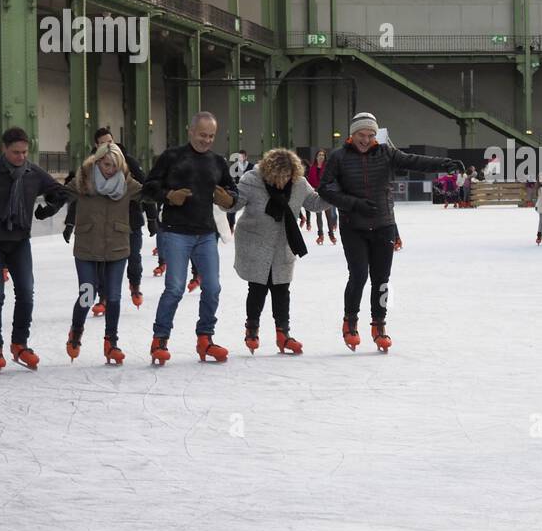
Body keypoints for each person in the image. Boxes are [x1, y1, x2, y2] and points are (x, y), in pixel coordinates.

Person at [320, 111, 459, 353]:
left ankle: (379, 324)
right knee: (359, 275)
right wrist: (354, 203)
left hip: (383, 224)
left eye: (371, 135)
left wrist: (443, 164)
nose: (366, 139)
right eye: (362, 134)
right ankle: (350, 322)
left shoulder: (385, 153)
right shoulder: (338, 157)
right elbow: (325, 189)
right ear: (352, 135)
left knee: (382, 280)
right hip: (354, 226)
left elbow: (414, 161)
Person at [0, 127, 72, 372]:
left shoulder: (32, 173)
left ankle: (19, 344)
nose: (21, 157)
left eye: (24, 152)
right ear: (4, 149)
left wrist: (48, 209)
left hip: (19, 240)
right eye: (15, 152)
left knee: (26, 292)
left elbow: (61, 192)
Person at [142, 112, 238, 365]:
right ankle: (160, 339)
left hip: (206, 233)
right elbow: (149, 187)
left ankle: (205, 337)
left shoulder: (217, 161)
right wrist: (168, 195)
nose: (206, 140)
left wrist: (229, 199)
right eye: (202, 135)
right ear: (190, 131)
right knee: (174, 288)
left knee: (213, 288)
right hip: (176, 232)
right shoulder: (172, 157)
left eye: (211, 136)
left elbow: (232, 190)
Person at [50, 142, 143, 364]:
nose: (111, 170)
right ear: (98, 160)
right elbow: (62, 194)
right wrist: (50, 206)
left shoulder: (126, 183)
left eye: (116, 166)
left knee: (113, 296)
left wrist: (168, 195)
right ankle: (76, 332)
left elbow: (148, 194)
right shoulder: (83, 180)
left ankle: (111, 342)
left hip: (117, 246)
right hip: (87, 247)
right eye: (107, 164)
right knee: (87, 294)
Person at [231, 148, 328, 354]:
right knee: (257, 287)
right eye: (278, 176)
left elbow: (315, 203)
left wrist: (335, 195)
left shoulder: (299, 183)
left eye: (287, 176)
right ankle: (252, 330)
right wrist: (223, 197)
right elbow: (234, 204)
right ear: (268, 172)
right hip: (254, 242)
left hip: (283, 243)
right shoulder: (252, 180)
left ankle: (283, 334)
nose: (283, 181)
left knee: (282, 289)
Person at [66, 127, 150, 311]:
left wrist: (153, 220)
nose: (109, 145)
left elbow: (147, 190)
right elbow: (75, 196)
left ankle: (135, 286)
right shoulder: (88, 169)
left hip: (130, 222)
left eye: (110, 141)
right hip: (100, 228)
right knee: (102, 263)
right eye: (104, 142)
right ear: (97, 146)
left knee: (133, 258)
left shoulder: (127, 162)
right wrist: (69, 223)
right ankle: (102, 298)